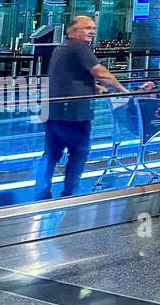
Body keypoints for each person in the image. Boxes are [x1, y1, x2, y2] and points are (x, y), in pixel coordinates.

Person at [34, 15, 135, 200]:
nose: (92, 31)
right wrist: (122, 89)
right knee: (79, 152)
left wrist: (94, 87)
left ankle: (41, 192)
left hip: (53, 111)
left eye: (93, 28)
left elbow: (68, 77)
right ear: (72, 31)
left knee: (51, 154)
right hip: (74, 114)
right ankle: (70, 194)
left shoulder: (61, 48)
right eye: (87, 28)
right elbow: (100, 72)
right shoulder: (79, 47)